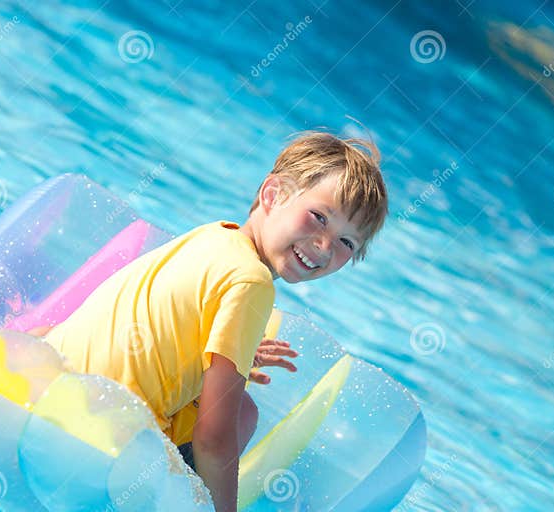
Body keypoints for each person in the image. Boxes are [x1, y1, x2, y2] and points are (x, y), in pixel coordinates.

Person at [35, 131, 388, 511]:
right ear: (273, 194)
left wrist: (236, 350)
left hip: (49, 382)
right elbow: (213, 438)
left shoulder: (212, 237)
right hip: (98, 439)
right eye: (319, 217)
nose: (325, 246)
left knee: (242, 406)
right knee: (240, 419)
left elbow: (168, 321)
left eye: (347, 243)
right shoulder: (253, 283)